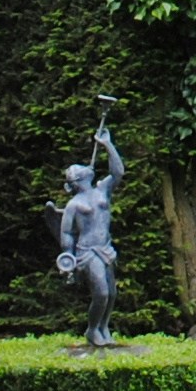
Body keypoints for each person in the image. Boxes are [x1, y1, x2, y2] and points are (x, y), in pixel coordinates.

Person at [52, 123, 124, 348]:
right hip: (87, 252)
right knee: (101, 293)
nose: (86, 169)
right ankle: (92, 329)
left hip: (106, 248)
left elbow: (118, 172)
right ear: (76, 180)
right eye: (80, 170)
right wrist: (68, 256)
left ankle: (103, 327)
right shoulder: (74, 204)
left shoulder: (102, 190)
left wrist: (107, 145)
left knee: (111, 294)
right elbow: (66, 232)